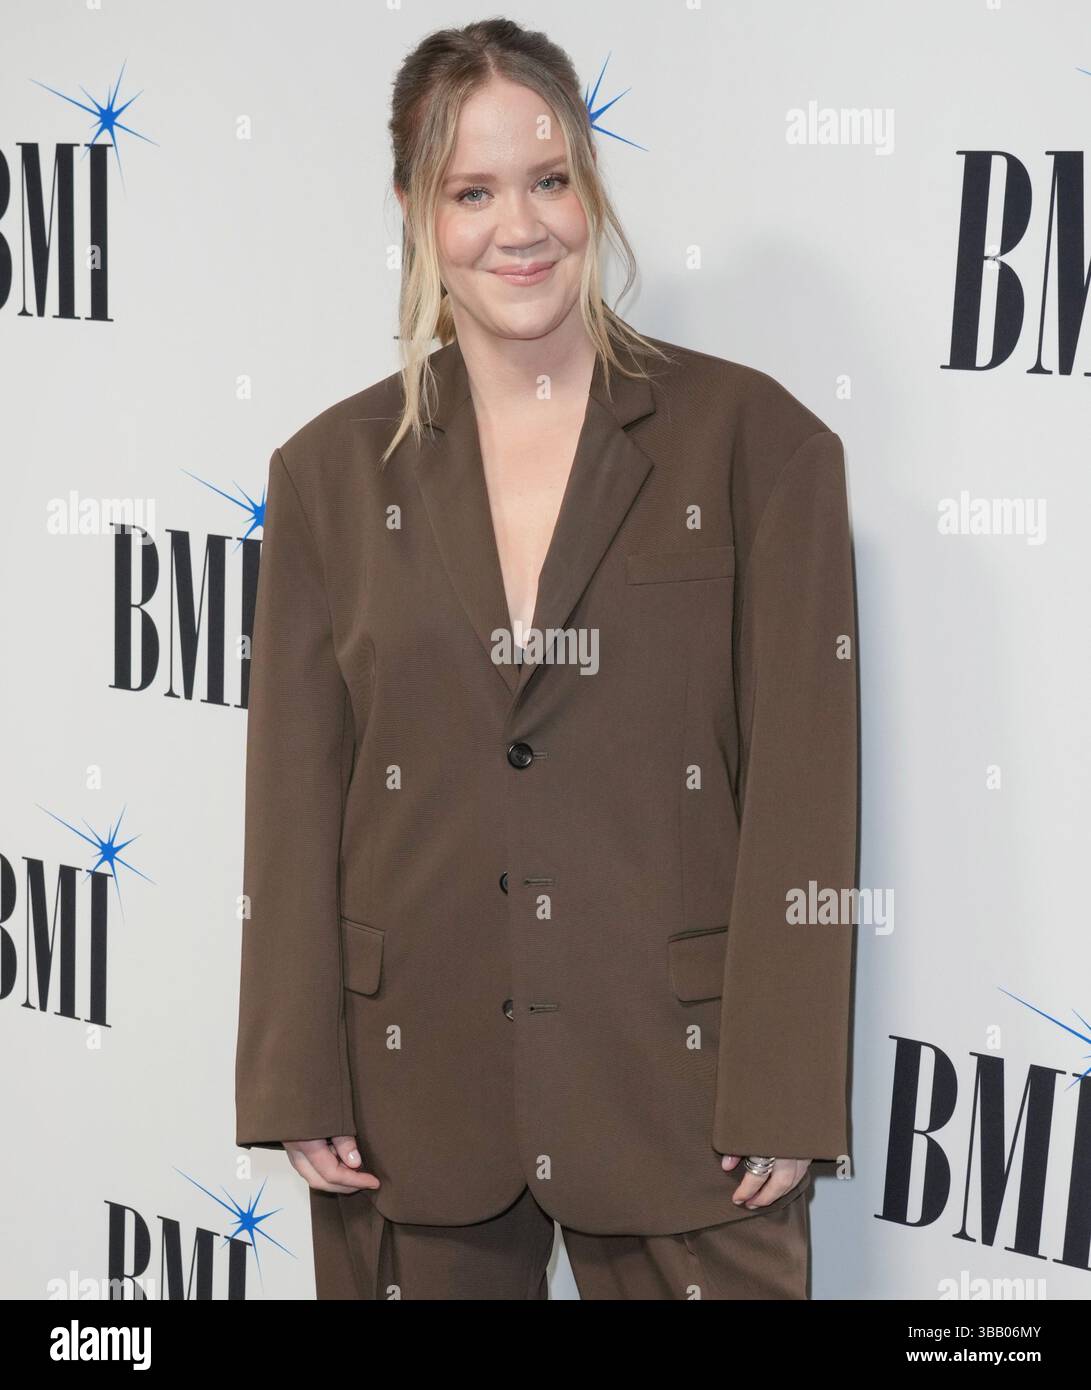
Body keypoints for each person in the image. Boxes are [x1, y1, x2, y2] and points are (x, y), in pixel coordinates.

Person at [234, 16, 859, 1301]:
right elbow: (294, 797)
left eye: (547, 178)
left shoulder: (758, 445)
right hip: (409, 1106)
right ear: (414, 209)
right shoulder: (329, 477)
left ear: (588, 182)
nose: (518, 227)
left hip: (689, 1105)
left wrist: (787, 1082)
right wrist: (298, 1072)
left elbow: (806, 788)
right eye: (471, 190)